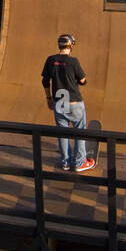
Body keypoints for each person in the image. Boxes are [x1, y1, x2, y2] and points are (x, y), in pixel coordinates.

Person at [41, 34, 95, 172]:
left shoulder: (50, 60)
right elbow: (83, 80)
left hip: (59, 102)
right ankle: (79, 163)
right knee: (79, 131)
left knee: (62, 133)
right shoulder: (73, 62)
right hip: (74, 102)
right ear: (70, 46)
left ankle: (65, 162)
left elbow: (45, 81)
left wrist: (48, 98)